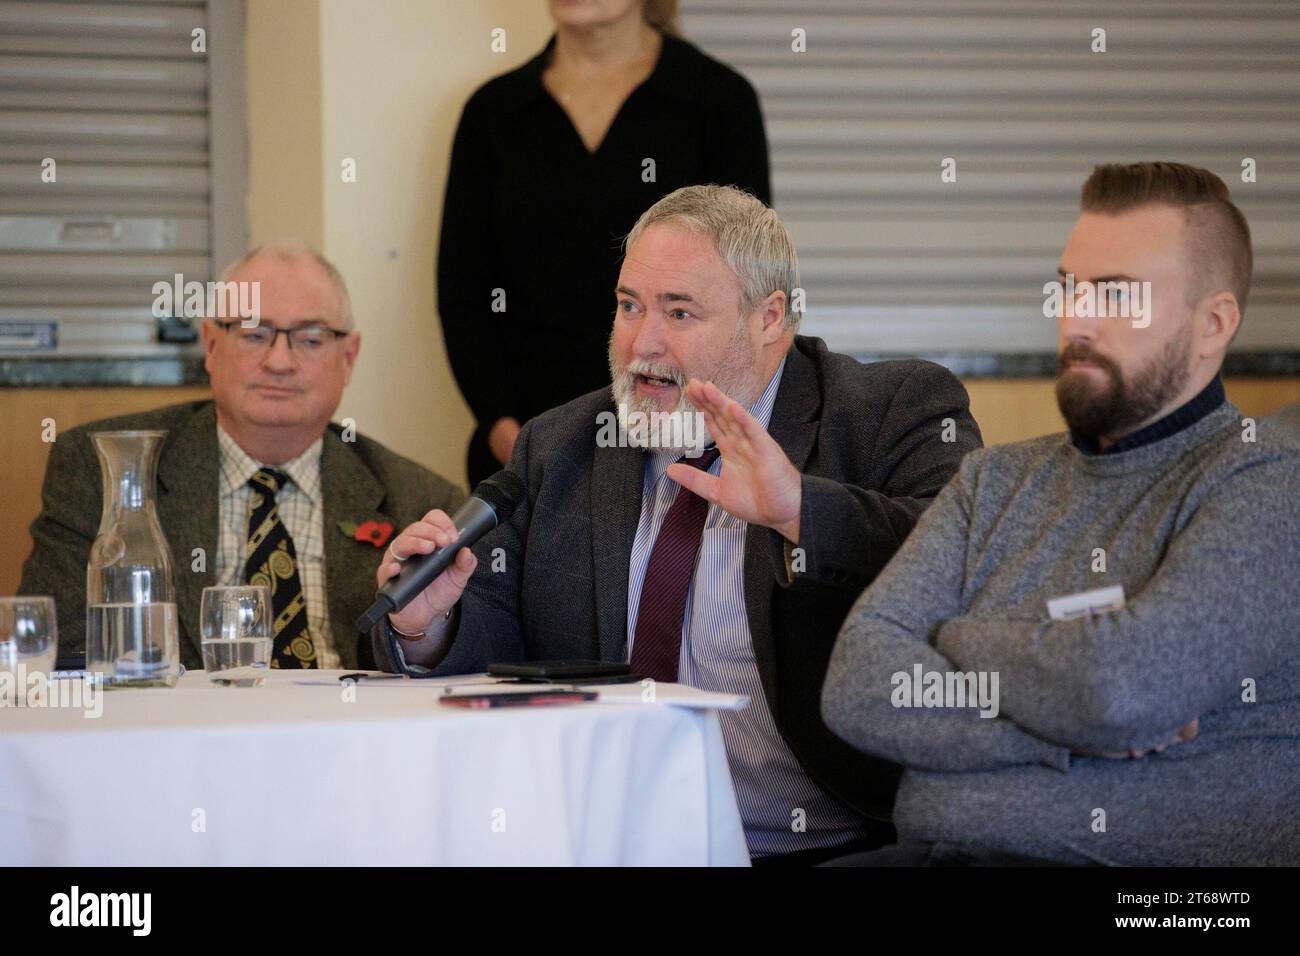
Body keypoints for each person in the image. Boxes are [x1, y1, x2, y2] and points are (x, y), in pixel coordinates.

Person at [374, 186, 982, 862]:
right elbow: (498, 634)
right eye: (629, 305)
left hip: (831, 848)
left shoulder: (890, 410)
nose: (642, 342)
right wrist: (429, 626)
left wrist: (797, 509)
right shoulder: (562, 445)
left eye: (679, 312)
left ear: (769, 318)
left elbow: (966, 562)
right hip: (606, 845)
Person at [822, 162, 1300, 866]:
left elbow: (1120, 688)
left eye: (1116, 295)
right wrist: (1060, 729)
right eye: (1069, 287)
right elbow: (860, 685)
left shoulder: (1263, 487)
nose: (1075, 319)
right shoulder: (994, 480)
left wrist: (957, 638)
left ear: (1213, 324)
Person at [20, 244, 464, 671]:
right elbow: (59, 643)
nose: (279, 361)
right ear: (211, 346)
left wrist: (418, 634)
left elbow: (453, 659)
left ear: (348, 358)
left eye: (310, 339)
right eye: (255, 334)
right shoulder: (103, 466)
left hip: (348, 739)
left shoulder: (422, 500)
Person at [438, 0, 770, 485]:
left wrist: (694, 425)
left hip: (680, 442)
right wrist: (508, 432)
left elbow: (744, 281)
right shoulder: (495, 111)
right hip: (524, 447)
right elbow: (463, 290)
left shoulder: (717, 101)